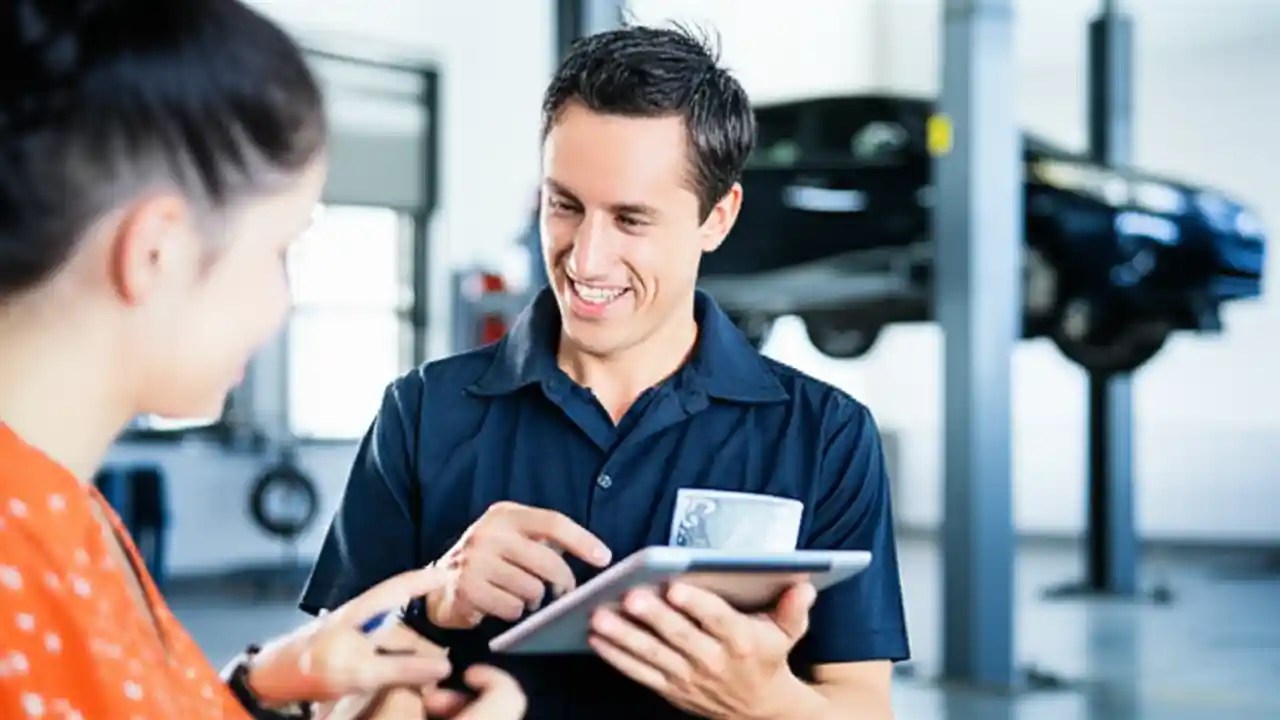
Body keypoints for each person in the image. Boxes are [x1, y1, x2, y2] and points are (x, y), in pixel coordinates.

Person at [301, 24, 910, 720]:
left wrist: (765, 704)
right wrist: (430, 600)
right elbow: (330, 696)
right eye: (564, 206)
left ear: (718, 217)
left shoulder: (824, 435)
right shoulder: (422, 413)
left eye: (631, 219)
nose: (586, 259)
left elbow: (864, 706)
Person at [0, 1, 525, 718]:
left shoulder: (65, 514)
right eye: (279, 249)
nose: (281, 304)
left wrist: (262, 685)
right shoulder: (21, 565)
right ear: (158, 252)